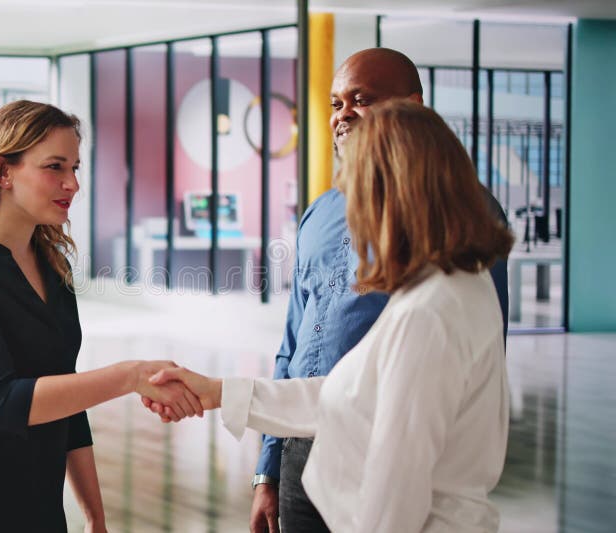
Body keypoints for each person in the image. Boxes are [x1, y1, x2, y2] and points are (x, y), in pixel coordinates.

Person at [148, 99, 515, 533]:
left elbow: (394, 495)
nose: (352, 212)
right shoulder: (454, 285)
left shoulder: (429, 315)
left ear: (395, 193)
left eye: (356, 189)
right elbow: (352, 395)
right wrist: (218, 392)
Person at [0, 100, 202, 533]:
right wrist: (129, 375)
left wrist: (94, 515)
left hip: (38, 501)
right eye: (55, 167)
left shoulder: (52, 264)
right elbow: (2, 402)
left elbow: (66, 394)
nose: (72, 184)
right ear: (2, 172)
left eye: (76, 168)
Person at [250, 47, 510, 533]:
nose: (343, 114)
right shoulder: (318, 214)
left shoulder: (463, 216)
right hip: (300, 452)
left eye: (360, 99)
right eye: (335, 103)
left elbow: (475, 363)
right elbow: (293, 347)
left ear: (412, 106)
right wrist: (267, 467)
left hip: (388, 451)